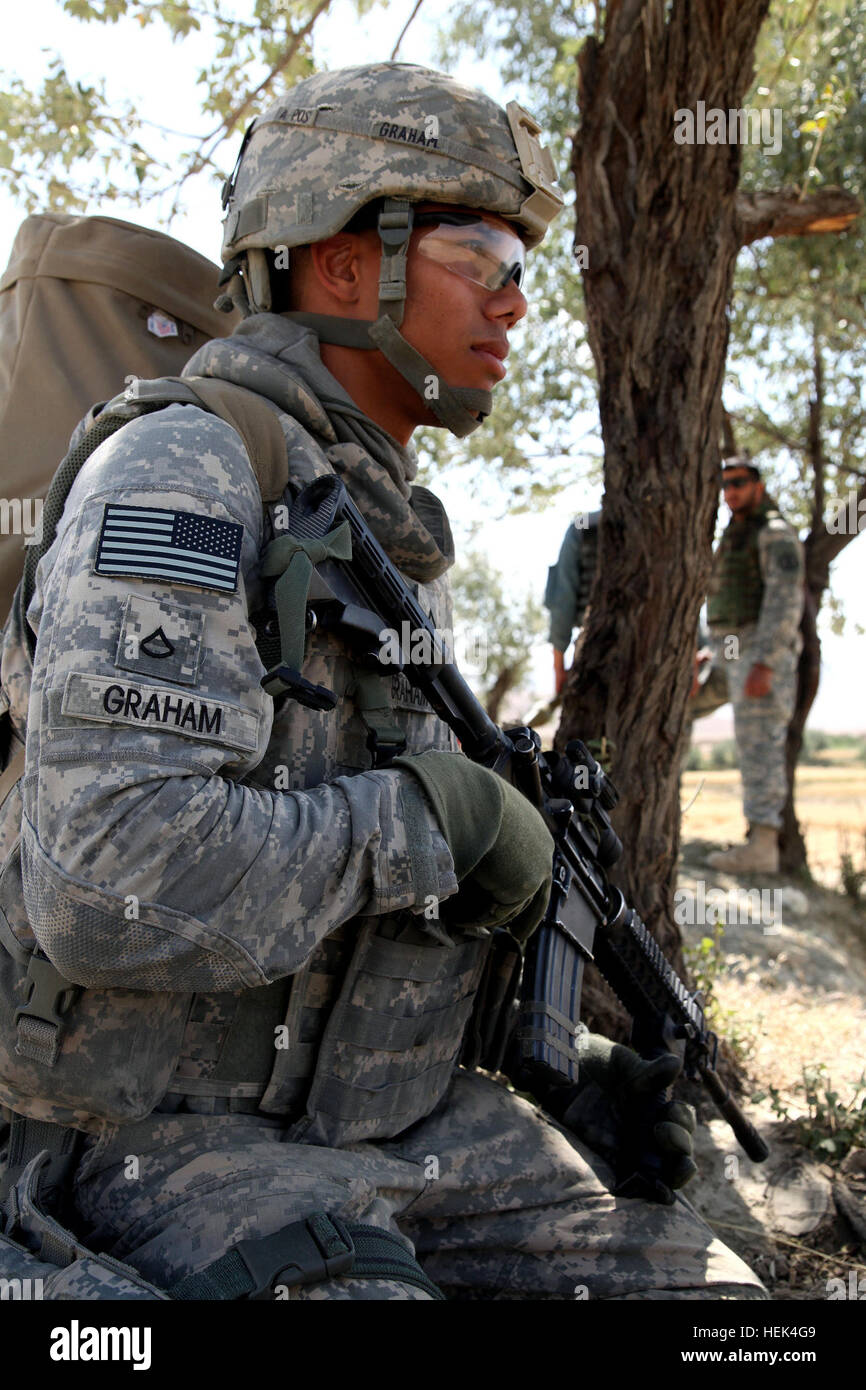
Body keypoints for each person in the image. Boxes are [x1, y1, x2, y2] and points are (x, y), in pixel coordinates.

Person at [0, 64, 765, 1300]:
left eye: (523, 267)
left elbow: (364, 928)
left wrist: (567, 1064)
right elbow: (106, 875)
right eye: (484, 255)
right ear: (342, 262)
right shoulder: (183, 473)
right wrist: (436, 820)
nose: (518, 305)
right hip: (169, 1141)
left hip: (405, 1124)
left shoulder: (382, 535)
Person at [699, 457, 804, 874]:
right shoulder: (736, 533)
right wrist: (709, 651)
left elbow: (784, 601)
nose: (731, 492)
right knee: (680, 705)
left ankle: (762, 845)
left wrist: (767, 661)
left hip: (757, 650)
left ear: (758, 486)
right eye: (725, 485)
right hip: (728, 649)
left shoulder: (774, 533)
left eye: (739, 483)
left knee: (759, 743)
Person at [544, 509, 600, 694]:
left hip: (598, 651)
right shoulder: (662, 520)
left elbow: (562, 600)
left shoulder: (581, 525)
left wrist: (558, 668)